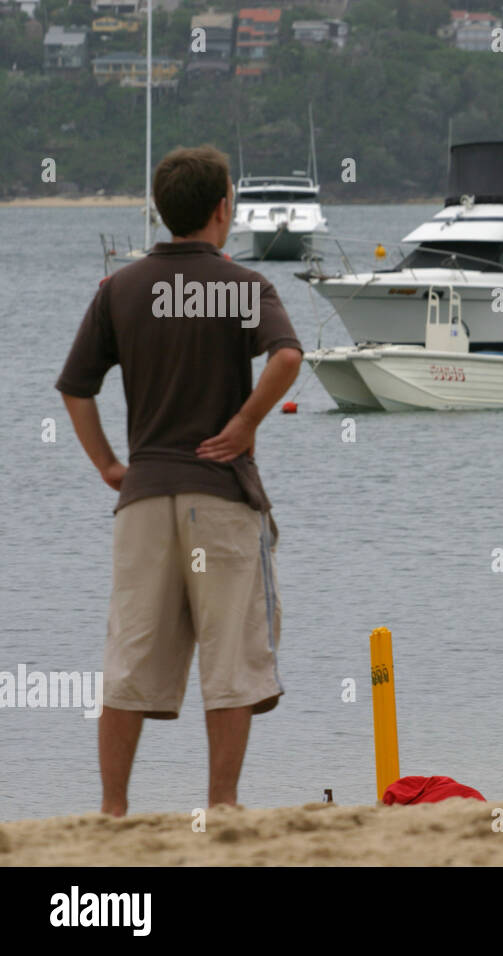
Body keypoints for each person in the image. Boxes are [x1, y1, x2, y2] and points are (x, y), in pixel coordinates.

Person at [55, 145, 303, 816]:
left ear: (164, 213)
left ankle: (111, 811)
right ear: (223, 210)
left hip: (143, 501)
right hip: (220, 495)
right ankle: (221, 804)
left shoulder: (119, 289)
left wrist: (108, 463)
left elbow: (76, 389)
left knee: (130, 657)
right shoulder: (243, 285)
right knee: (231, 657)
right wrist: (248, 420)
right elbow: (287, 355)